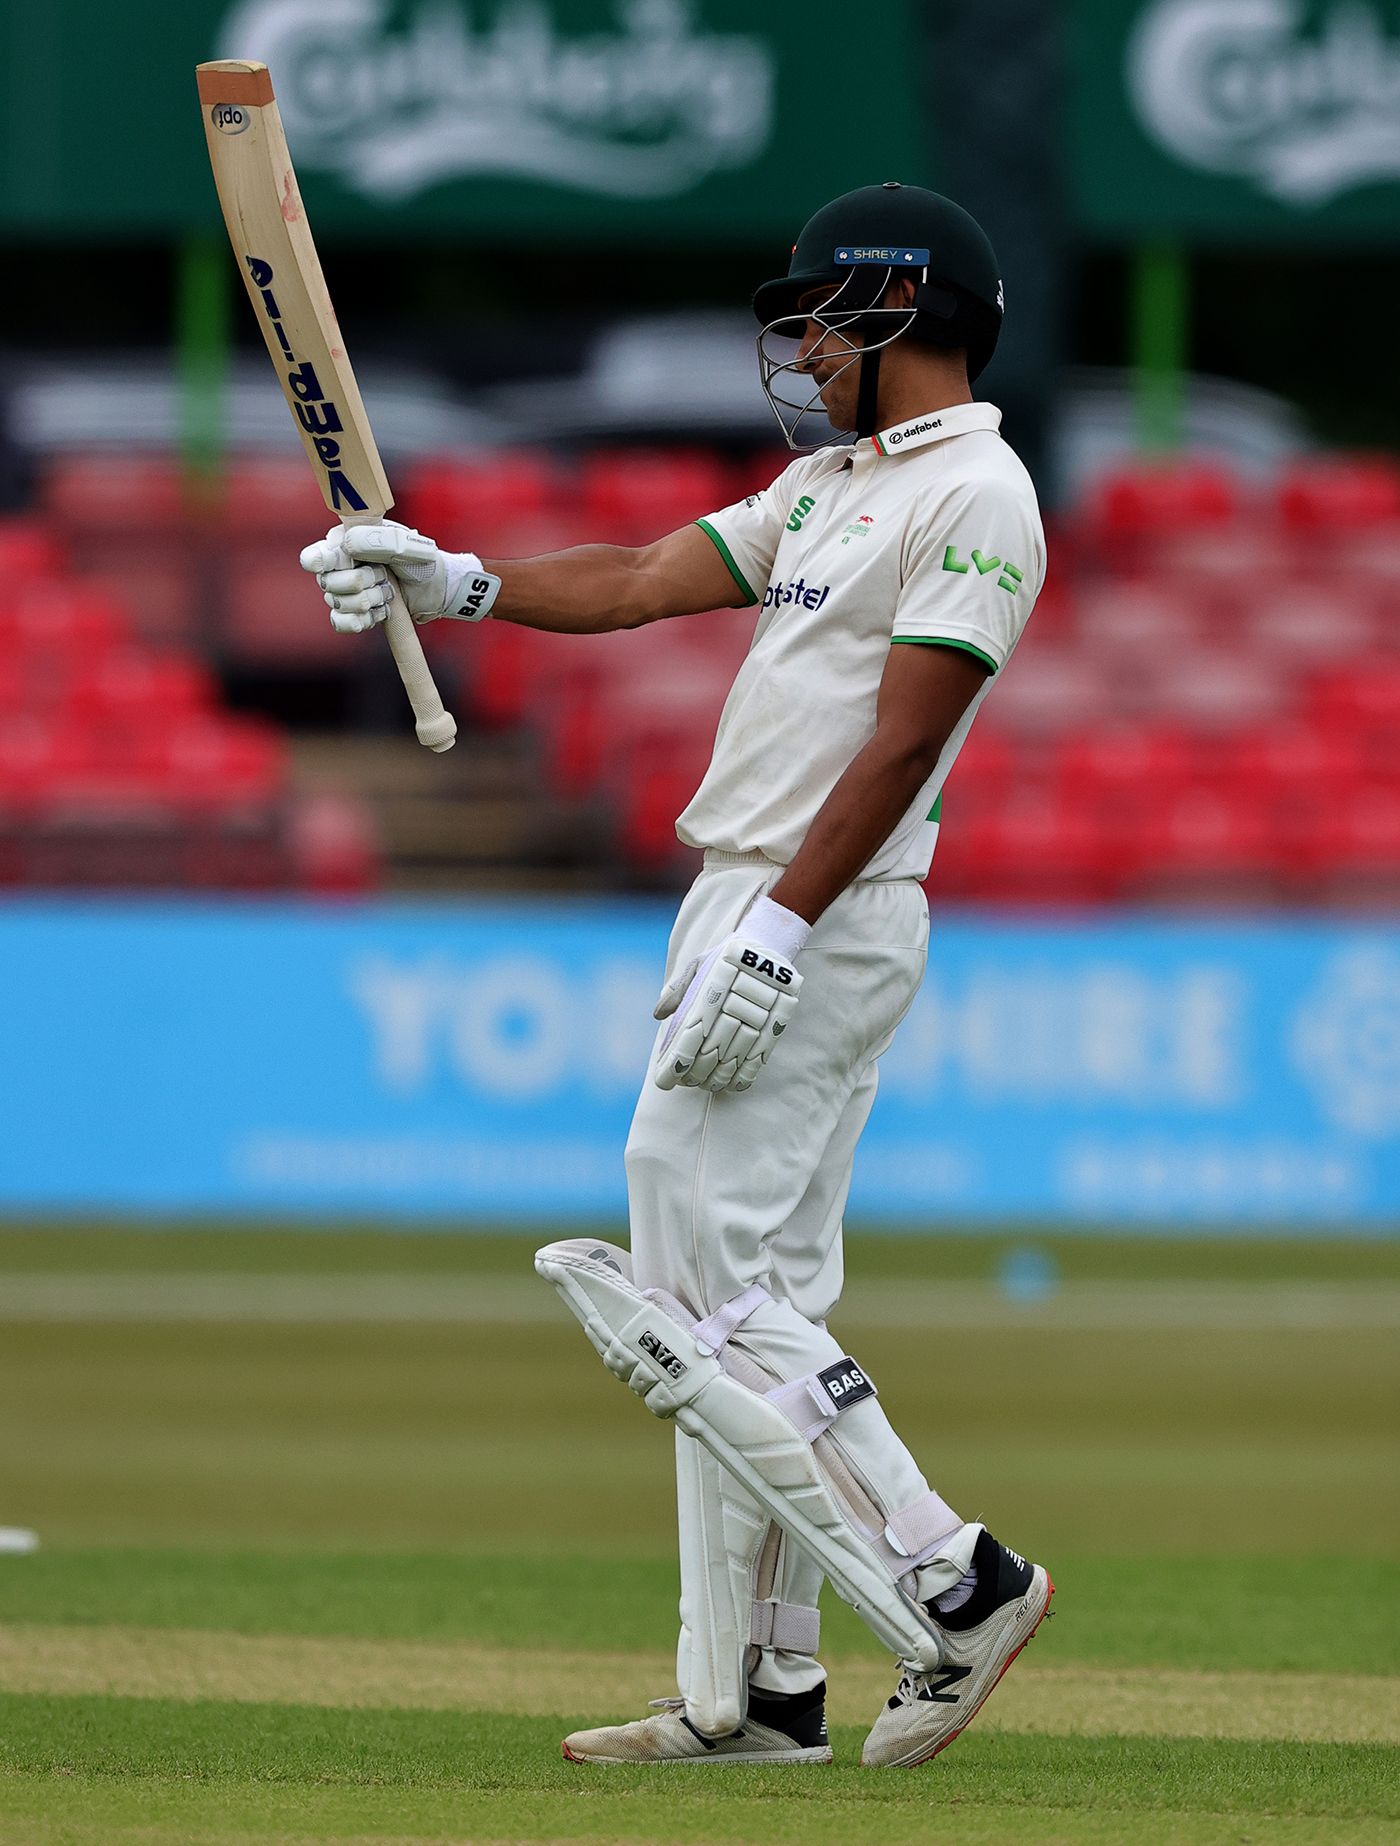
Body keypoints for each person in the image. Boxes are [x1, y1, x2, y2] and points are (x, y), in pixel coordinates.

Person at [301, 183, 1051, 1769]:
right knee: (749, 1292)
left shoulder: (979, 494)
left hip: (818, 907)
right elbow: (643, 575)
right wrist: (455, 580)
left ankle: (956, 1577)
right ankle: (761, 1693)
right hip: (753, 893)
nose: (809, 346)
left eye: (829, 317)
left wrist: (778, 930)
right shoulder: (835, 483)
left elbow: (907, 737)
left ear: (904, 314)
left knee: (704, 1286)